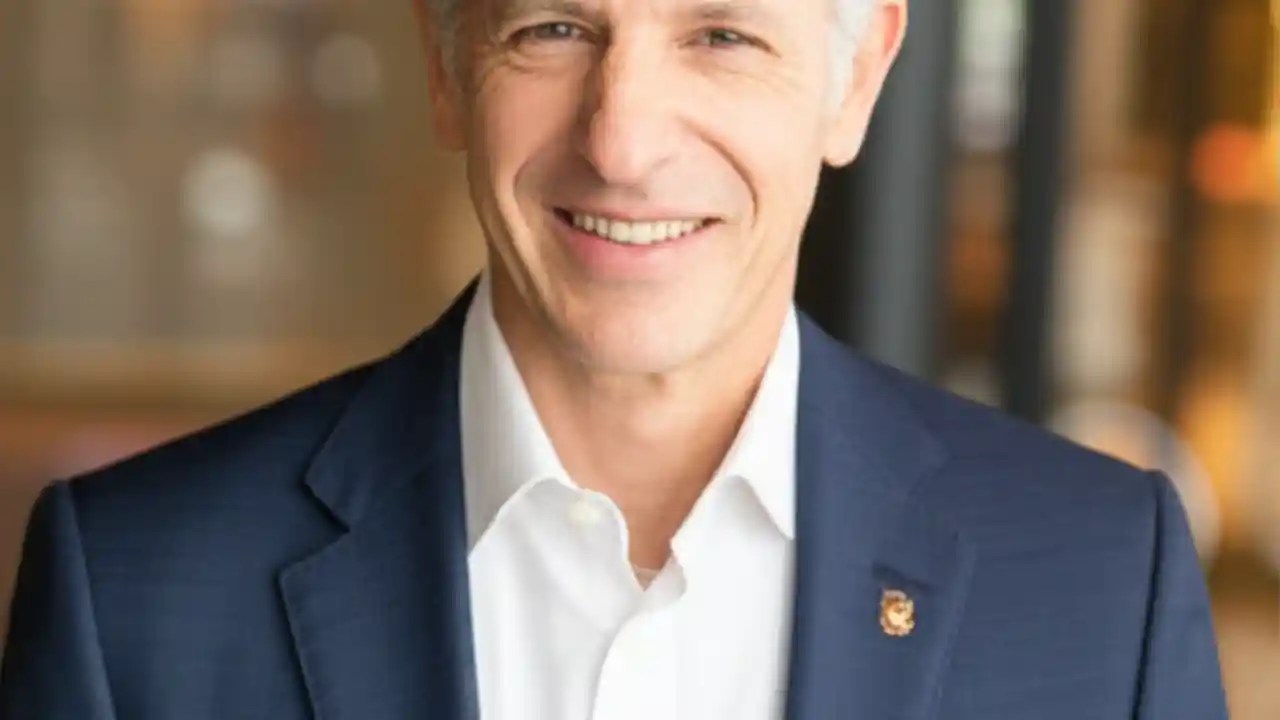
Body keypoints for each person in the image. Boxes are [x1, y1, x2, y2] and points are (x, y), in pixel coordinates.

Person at [0, 0, 1227, 717]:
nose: (623, 140)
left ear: (855, 76)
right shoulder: (132, 595)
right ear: (442, 60)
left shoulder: (1096, 585)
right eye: (552, 27)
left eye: (719, 37)